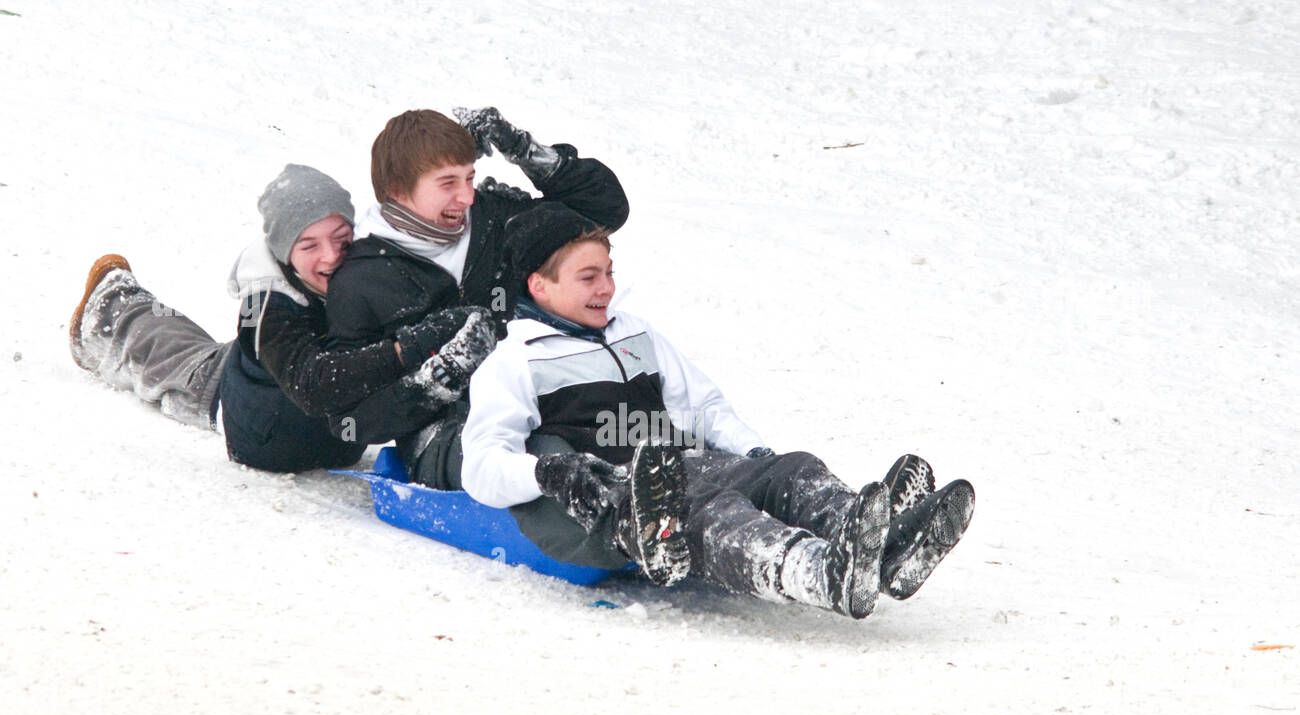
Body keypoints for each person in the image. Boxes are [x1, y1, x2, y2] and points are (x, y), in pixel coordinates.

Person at [459, 204, 975, 619]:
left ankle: (884, 548)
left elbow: (701, 404)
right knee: (710, 511)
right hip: (630, 493)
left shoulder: (634, 333)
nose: (606, 288)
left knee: (791, 471)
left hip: (684, 459)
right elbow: (481, 466)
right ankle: (818, 571)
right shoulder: (517, 361)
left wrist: (756, 454)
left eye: (609, 272)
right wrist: (547, 471)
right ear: (539, 286)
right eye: (588, 277)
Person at [69, 164, 487, 473]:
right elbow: (313, 384)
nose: (330, 256)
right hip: (236, 397)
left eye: (341, 239)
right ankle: (112, 304)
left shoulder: (363, 272)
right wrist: (406, 348)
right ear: (285, 250)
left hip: (287, 359)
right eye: (309, 245)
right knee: (169, 355)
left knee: (222, 350)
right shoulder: (264, 305)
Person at [317, 107, 630, 490]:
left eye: (469, 177)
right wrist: (440, 376)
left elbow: (604, 210)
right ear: (398, 190)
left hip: (537, 399)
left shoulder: (493, 219)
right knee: (550, 455)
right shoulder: (361, 280)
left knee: (630, 426)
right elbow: (349, 422)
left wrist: (522, 148)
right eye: (448, 183)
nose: (466, 196)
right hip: (449, 437)